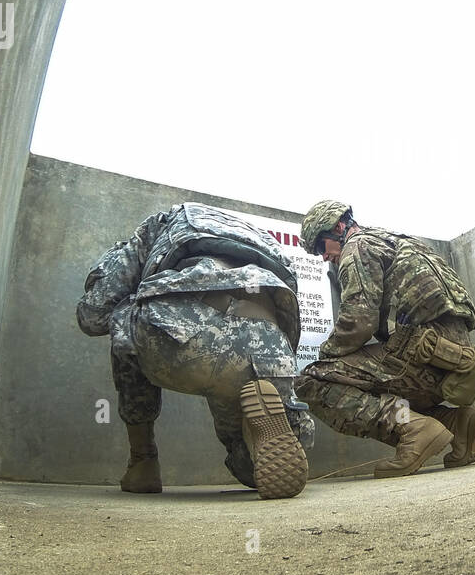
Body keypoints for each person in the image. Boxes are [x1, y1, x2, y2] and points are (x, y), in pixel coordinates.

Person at [76, 202, 314, 500]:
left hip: (192, 336)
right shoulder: (262, 239)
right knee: (248, 467)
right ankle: (266, 437)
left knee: (124, 317)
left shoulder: (162, 224)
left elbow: (93, 316)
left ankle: (143, 462)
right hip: (269, 350)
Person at [295, 200, 475, 478]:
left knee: (312, 380)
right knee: (377, 383)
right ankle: (458, 424)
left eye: (320, 246)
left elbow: (358, 321)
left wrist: (326, 354)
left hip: (417, 355)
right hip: (453, 358)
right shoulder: (397, 242)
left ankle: (412, 429)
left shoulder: (356, 249)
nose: (322, 257)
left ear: (338, 226)